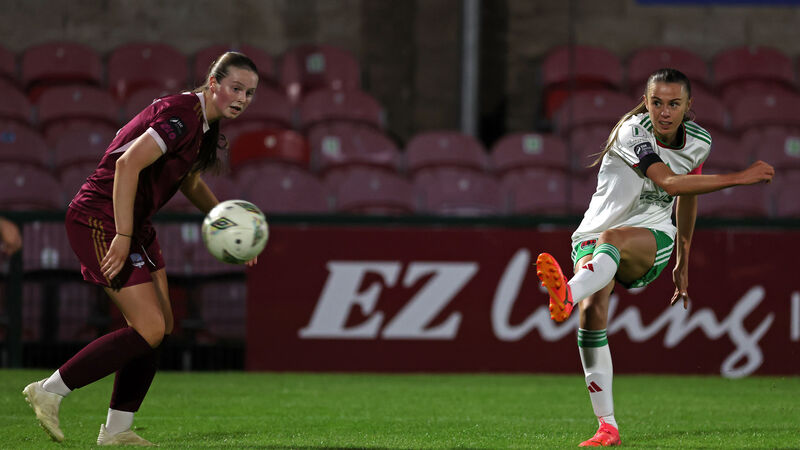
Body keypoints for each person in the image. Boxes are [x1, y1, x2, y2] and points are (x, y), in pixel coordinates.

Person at [22, 51, 259, 446]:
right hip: (99, 217)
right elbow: (129, 164)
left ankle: (116, 431)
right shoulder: (182, 116)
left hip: (133, 224)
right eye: (235, 88)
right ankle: (49, 389)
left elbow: (189, 182)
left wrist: (226, 221)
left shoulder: (204, 123)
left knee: (160, 328)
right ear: (213, 84)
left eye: (249, 93)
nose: (242, 98)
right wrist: (123, 234)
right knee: (148, 328)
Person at [535, 68, 774, 447]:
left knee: (611, 245)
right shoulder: (633, 131)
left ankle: (566, 291)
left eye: (674, 104)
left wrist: (683, 258)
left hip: (653, 237)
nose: (664, 111)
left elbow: (687, 194)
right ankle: (607, 426)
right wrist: (740, 177)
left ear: (688, 106)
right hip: (591, 235)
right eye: (657, 102)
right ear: (646, 102)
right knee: (592, 311)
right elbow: (668, 182)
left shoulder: (698, 141)